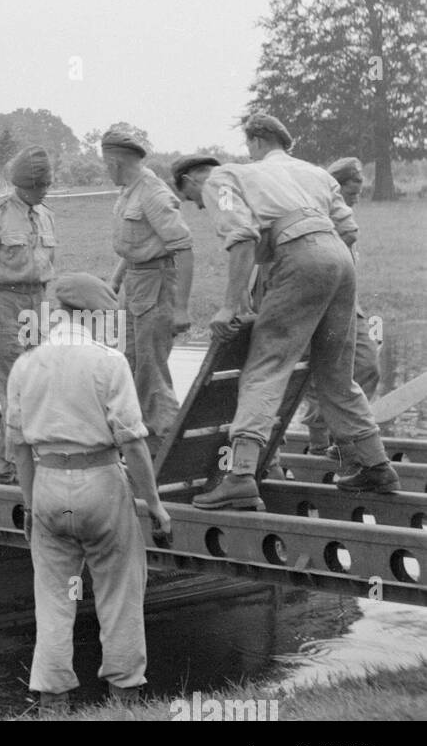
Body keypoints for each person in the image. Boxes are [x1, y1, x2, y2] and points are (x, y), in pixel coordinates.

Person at [173, 116, 399, 507]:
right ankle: (373, 464)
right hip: (340, 260)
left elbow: (240, 235)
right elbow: (348, 230)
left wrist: (231, 305)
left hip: (298, 255)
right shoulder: (314, 174)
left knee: (266, 366)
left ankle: (241, 474)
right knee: (336, 374)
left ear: (256, 141)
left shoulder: (222, 178)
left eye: (249, 145)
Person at [5, 272, 172, 716]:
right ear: (93, 316)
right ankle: (124, 698)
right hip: (100, 480)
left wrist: (28, 503)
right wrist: (153, 504)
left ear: (58, 312)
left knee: (54, 599)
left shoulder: (26, 364)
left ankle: (53, 702)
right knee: (119, 594)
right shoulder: (109, 361)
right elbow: (133, 443)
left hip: (47, 482)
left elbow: (18, 447)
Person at [0, 146, 57, 484]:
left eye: (47, 184)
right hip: (3, 304)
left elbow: (48, 268)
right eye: (38, 185)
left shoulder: (46, 215)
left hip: (37, 302)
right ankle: (11, 469)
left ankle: (13, 464)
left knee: (36, 387)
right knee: (14, 391)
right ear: (23, 184)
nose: (44, 190)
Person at [101, 123, 193, 451]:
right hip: (138, 283)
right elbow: (134, 243)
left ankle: (168, 442)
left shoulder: (152, 193)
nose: (106, 169)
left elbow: (182, 247)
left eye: (106, 164)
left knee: (151, 368)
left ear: (115, 163)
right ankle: (143, 441)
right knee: (131, 362)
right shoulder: (130, 191)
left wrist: (181, 308)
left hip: (156, 284)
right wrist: (115, 280)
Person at [297, 158, 381, 452]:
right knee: (317, 378)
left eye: (359, 193)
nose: (355, 199)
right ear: (335, 189)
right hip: (317, 307)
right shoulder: (315, 221)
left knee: (367, 365)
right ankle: (319, 447)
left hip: (349, 307)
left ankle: (343, 434)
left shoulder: (347, 225)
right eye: (351, 192)